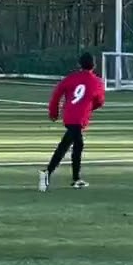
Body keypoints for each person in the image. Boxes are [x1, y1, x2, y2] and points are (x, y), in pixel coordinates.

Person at [41, 52, 105, 191]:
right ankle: (49, 173)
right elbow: (100, 102)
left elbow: (56, 95)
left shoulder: (70, 78)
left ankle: (72, 178)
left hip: (69, 116)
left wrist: (54, 112)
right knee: (72, 146)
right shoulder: (97, 82)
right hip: (79, 118)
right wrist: (88, 108)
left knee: (70, 145)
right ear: (94, 65)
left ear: (79, 64)